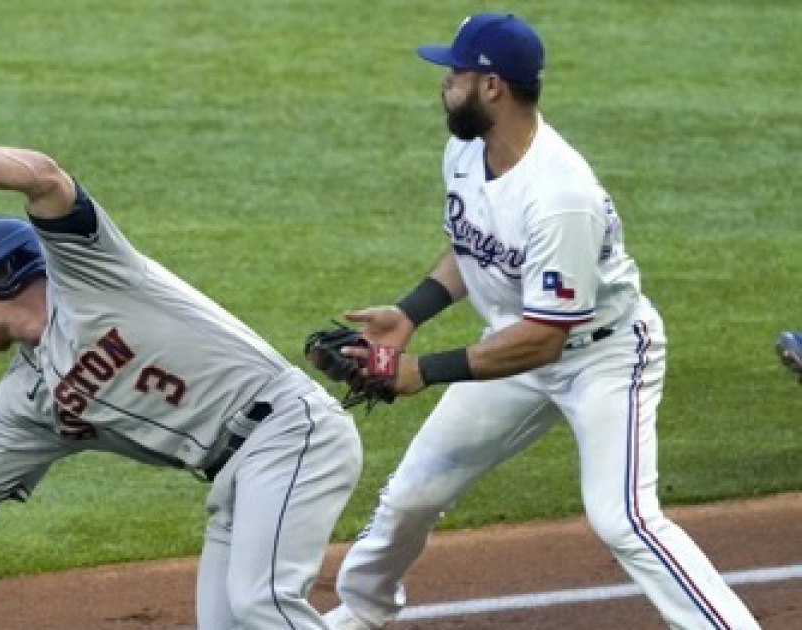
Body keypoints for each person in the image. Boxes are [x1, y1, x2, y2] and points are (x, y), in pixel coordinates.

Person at [0, 105, 363, 629]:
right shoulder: (25, 401)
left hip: (290, 429)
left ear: (7, 270)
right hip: (234, 479)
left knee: (262, 602)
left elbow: (44, 178)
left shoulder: (92, 275)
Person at [320, 13, 761, 630]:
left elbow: (543, 340)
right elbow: (472, 247)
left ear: (491, 86)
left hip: (603, 358)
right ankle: (362, 612)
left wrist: (423, 371)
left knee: (624, 520)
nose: (444, 83)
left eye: (455, 73)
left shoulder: (560, 197)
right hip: (514, 347)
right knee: (413, 493)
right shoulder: (466, 150)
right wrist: (410, 313)